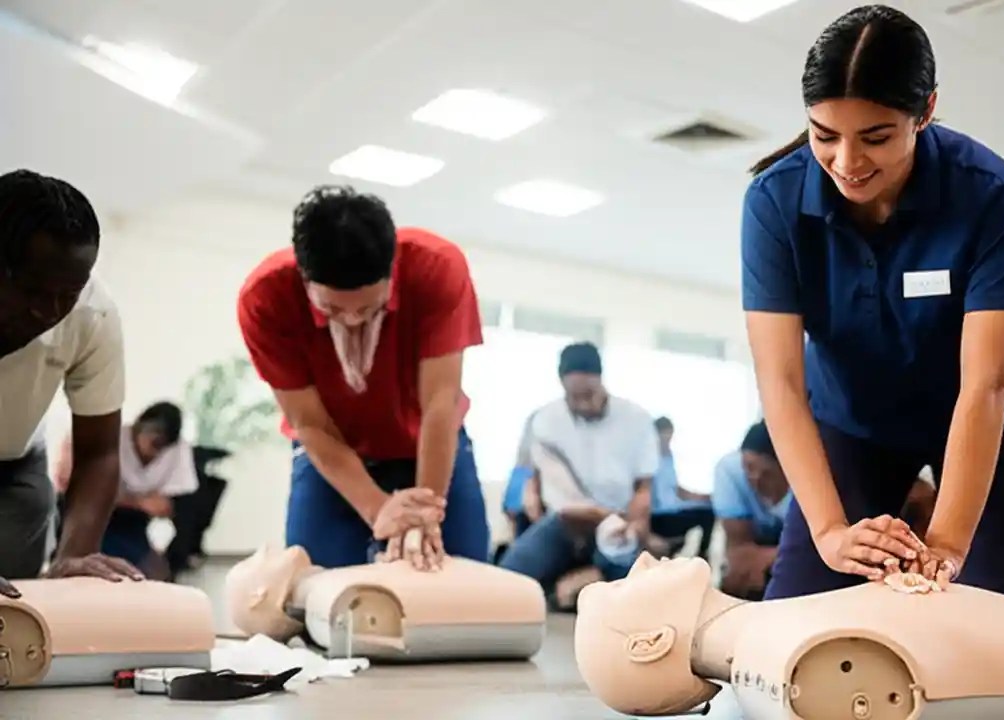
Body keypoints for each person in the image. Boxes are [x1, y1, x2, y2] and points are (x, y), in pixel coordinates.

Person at [739, 5, 1004, 612]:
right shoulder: (774, 201)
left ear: (924, 112)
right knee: (792, 621)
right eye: (824, 135)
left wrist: (944, 546)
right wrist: (829, 534)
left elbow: (988, 386)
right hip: (852, 419)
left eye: (875, 137)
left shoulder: (993, 194)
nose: (846, 162)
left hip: (977, 417)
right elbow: (781, 383)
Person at [237, 184, 489, 571]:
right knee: (316, 583)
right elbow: (309, 422)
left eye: (369, 309)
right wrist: (377, 509)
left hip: (428, 438)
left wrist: (422, 514)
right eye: (334, 309)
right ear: (305, 280)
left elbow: (440, 401)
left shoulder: (436, 267)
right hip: (333, 446)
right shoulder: (265, 298)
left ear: (393, 271)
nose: (352, 320)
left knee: (461, 577)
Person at [0, 169, 143, 597]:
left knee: (18, 615)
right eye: (33, 292)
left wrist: (74, 559)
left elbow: (98, 452)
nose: (51, 311)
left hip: (15, 464)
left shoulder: (92, 315)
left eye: (69, 293)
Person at [499, 342, 662, 590]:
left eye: (589, 395)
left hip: (616, 523)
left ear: (601, 381)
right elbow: (538, 474)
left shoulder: (637, 420)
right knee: (509, 578)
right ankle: (575, 579)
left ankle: (584, 579)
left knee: (637, 590)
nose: (584, 404)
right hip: (564, 522)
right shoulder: (546, 420)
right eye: (575, 397)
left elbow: (644, 488)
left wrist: (637, 525)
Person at [54, 401, 198, 580]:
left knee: (152, 572)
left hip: (132, 522)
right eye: (154, 443)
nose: (155, 454)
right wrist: (140, 501)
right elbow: (73, 485)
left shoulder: (177, 451)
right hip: (91, 515)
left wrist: (124, 499)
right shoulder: (110, 440)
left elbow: (166, 506)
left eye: (162, 447)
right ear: (138, 429)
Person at [712, 422, 792, 600]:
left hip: (792, 550)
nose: (755, 478)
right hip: (777, 546)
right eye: (748, 468)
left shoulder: (807, 480)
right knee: (737, 575)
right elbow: (739, 551)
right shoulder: (730, 472)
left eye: (767, 473)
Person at [648, 417, 715, 557]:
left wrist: (702, 498)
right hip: (657, 516)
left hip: (674, 510)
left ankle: (702, 556)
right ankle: (675, 547)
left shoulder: (669, 457)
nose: (667, 441)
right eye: (663, 437)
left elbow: (675, 489)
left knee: (709, 510)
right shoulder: (647, 460)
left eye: (669, 437)